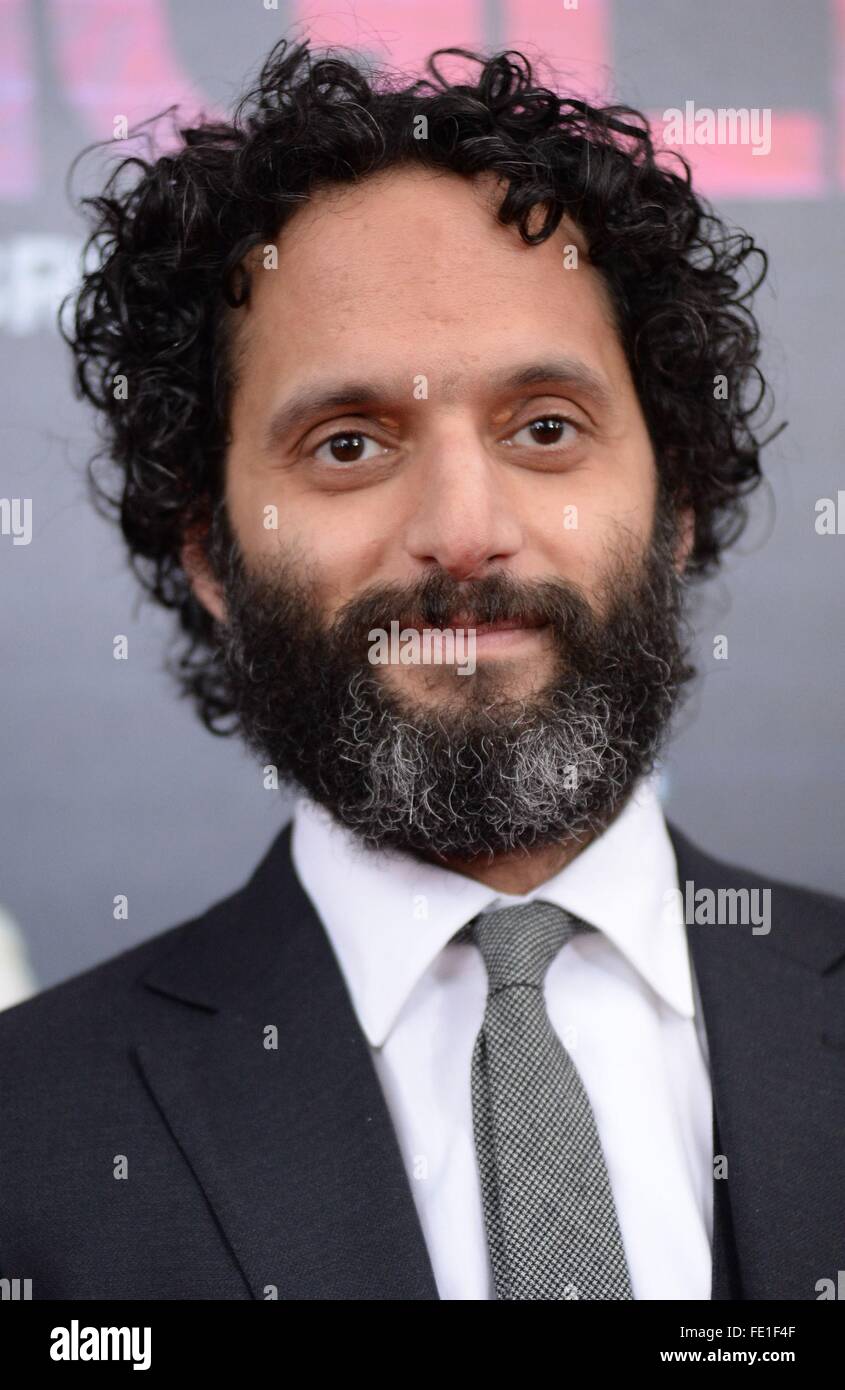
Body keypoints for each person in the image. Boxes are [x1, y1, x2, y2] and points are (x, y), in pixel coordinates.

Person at [0, 38, 841, 1302]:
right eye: (348, 444)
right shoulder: (29, 1135)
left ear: (675, 503)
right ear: (211, 552)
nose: (462, 527)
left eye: (543, 428)